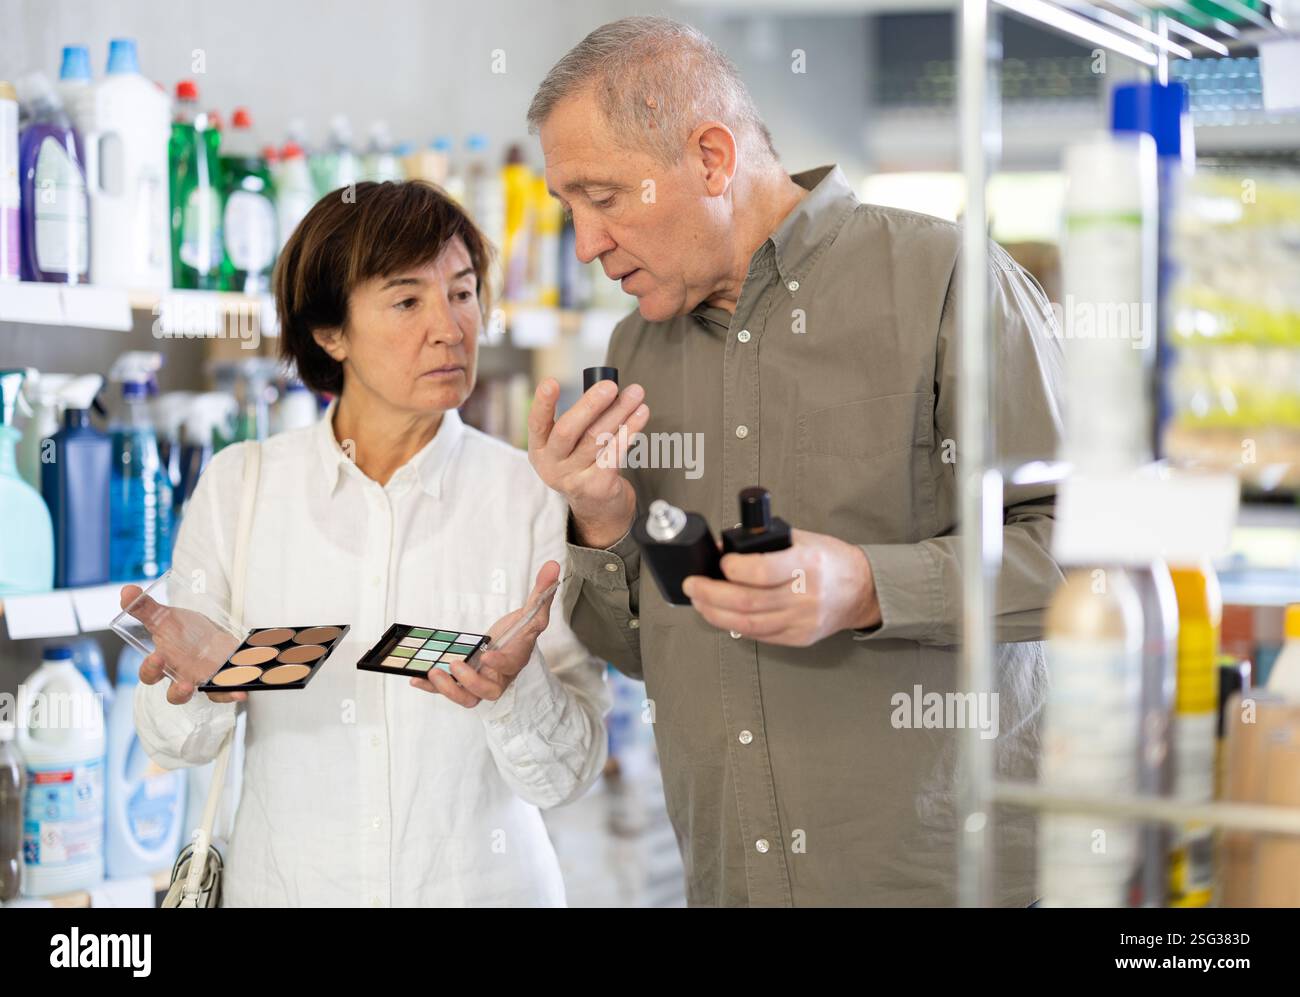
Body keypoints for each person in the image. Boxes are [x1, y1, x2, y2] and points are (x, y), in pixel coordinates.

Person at [526, 17, 1065, 906]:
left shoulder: (949, 282)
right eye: (568, 209)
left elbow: (1079, 558)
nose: (585, 243)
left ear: (709, 157)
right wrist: (603, 518)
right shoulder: (633, 350)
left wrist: (866, 585)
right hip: (729, 879)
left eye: (605, 198)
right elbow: (640, 649)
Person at [127, 180, 609, 907]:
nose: (451, 327)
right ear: (331, 332)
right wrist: (205, 681)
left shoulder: (532, 496)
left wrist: (516, 691)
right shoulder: (243, 489)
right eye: (408, 300)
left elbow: (568, 776)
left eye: (464, 292)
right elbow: (171, 744)